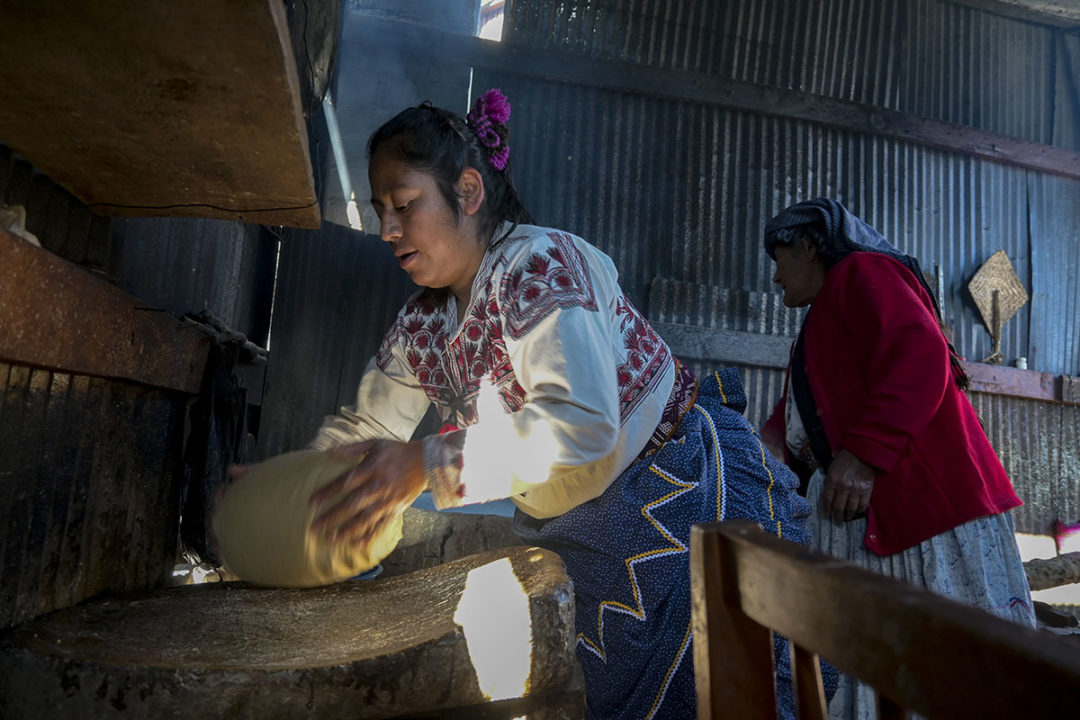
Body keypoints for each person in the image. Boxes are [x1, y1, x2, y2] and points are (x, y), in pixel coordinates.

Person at [303, 89, 812, 719]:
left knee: (716, 694)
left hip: (675, 497)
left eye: (404, 205)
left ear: (467, 192)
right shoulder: (423, 325)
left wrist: (422, 465)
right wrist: (299, 487)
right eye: (381, 210)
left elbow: (583, 424)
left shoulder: (540, 265)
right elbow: (369, 425)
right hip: (581, 531)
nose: (387, 230)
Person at [760, 198, 1036, 719]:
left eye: (778, 260)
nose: (775, 279)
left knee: (939, 668)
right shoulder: (823, 319)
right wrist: (761, 453)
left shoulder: (863, 273)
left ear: (809, 246)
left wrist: (863, 456)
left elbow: (920, 356)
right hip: (872, 518)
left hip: (922, 509)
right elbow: (802, 413)